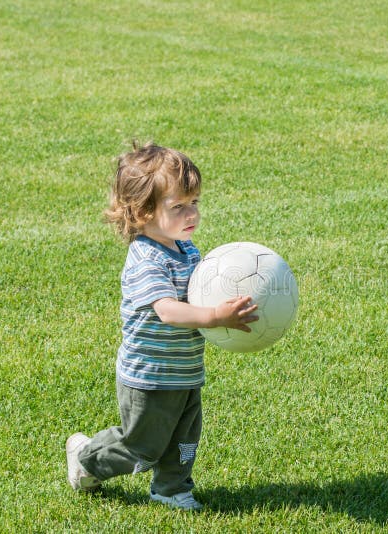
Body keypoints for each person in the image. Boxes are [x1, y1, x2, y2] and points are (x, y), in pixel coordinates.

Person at [66, 143, 258, 511]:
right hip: (149, 375)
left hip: (185, 369)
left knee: (183, 440)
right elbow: (168, 310)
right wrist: (216, 316)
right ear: (143, 212)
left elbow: (200, 290)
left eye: (195, 202)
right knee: (143, 446)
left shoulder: (186, 248)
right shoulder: (146, 258)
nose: (192, 213)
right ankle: (87, 457)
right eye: (178, 206)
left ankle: (171, 489)